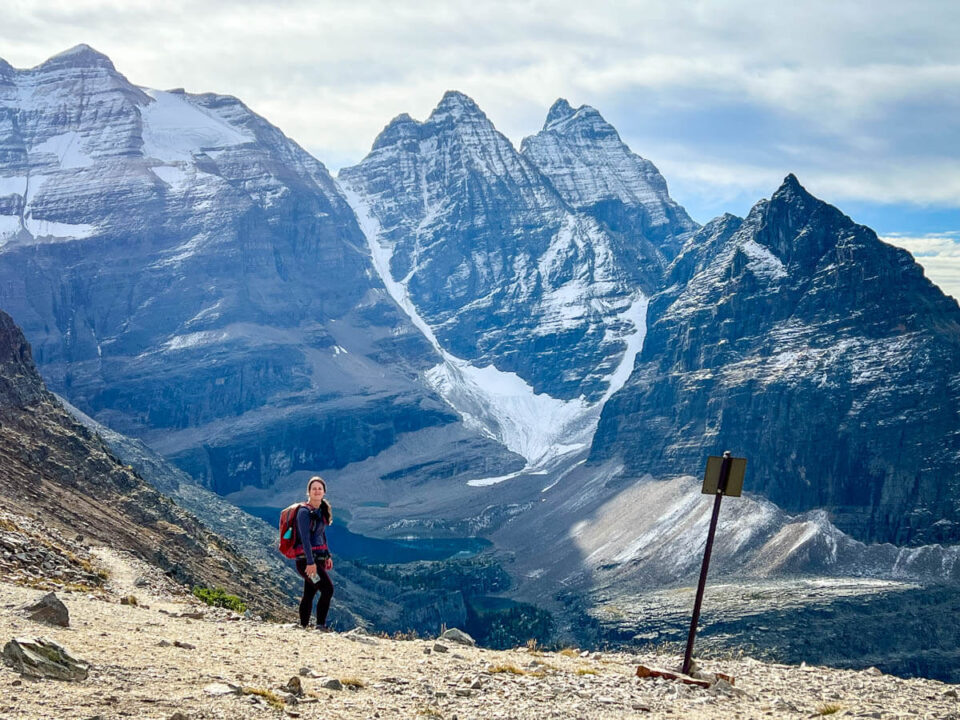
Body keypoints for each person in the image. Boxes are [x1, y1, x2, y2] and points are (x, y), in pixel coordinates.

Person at [294, 476, 334, 630]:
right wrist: (310, 563)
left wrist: (327, 555)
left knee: (309, 592)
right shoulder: (304, 512)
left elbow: (321, 535)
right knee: (327, 589)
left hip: (318, 559)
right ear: (308, 492)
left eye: (320, 489)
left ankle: (303, 626)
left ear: (324, 492)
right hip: (307, 562)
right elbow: (305, 538)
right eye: (314, 489)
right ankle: (320, 625)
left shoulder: (320, 510)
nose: (317, 491)